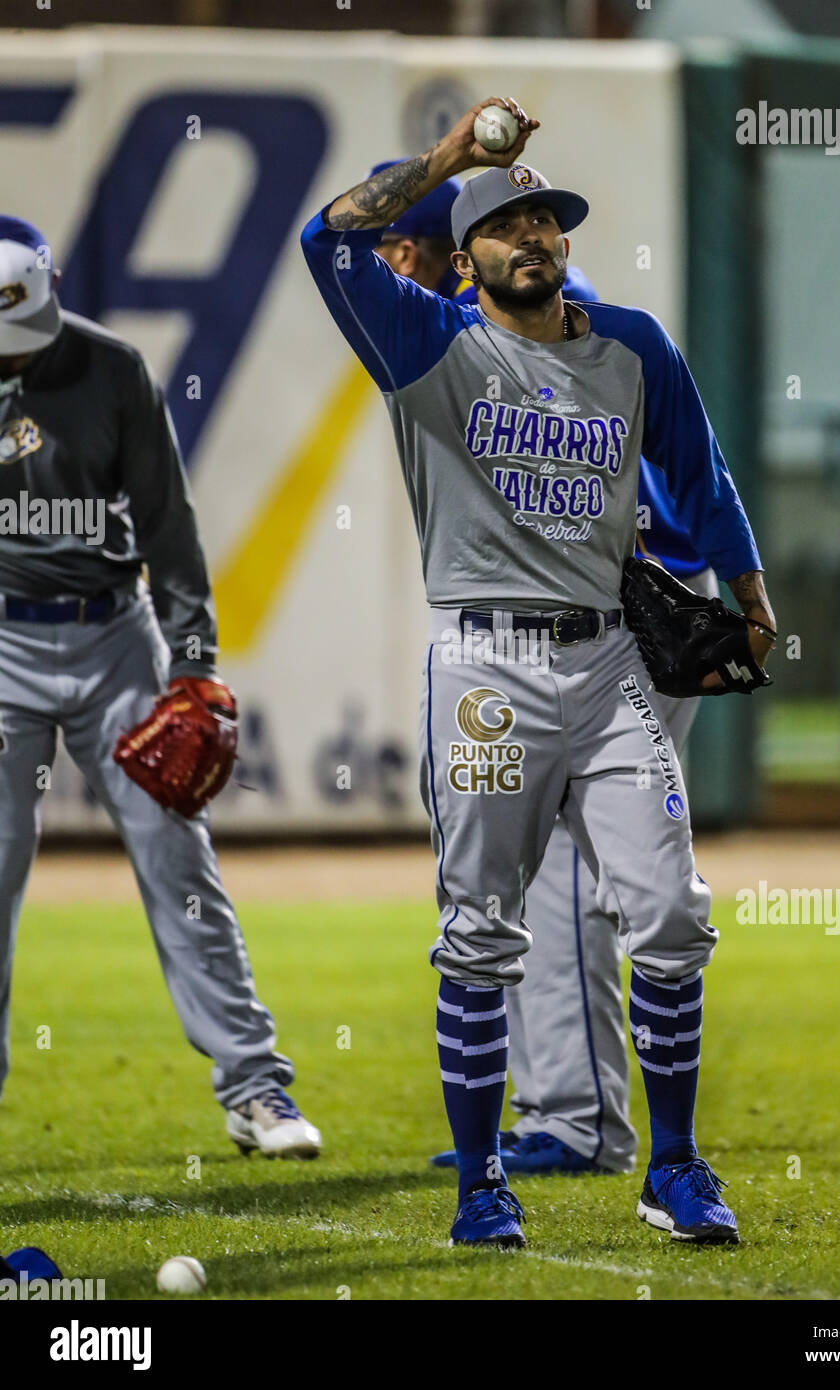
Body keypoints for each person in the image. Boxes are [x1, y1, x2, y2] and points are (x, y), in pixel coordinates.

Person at [301, 97, 775, 1247]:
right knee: (480, 931)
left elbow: (700, 474)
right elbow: (331, 241)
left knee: (668, 913)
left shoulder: (634, 346)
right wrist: (455, 155)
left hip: (611, 657)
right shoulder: (430, 346)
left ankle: (674, 1167)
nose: (533, 235)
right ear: (464, 260)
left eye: (547, 222)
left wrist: (751, 595)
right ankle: (480, 1190)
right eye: (507, 224)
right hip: (485, 667)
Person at [364, 163, 726, 1179]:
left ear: (451, 246)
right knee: (558, 878)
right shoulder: (473, 332)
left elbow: (673, 479)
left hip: (634, 612)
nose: (398, 262)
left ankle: (577, 1118)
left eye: (411, 246)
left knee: (574, 873)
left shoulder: (573, 327)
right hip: (594, 613)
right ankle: (573, 1111)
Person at [0, 216, 320, 1159]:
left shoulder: (112, 370)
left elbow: (169, 528)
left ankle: (255, 1090)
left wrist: (194, 664)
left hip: (115, 645)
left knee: (182, 871)